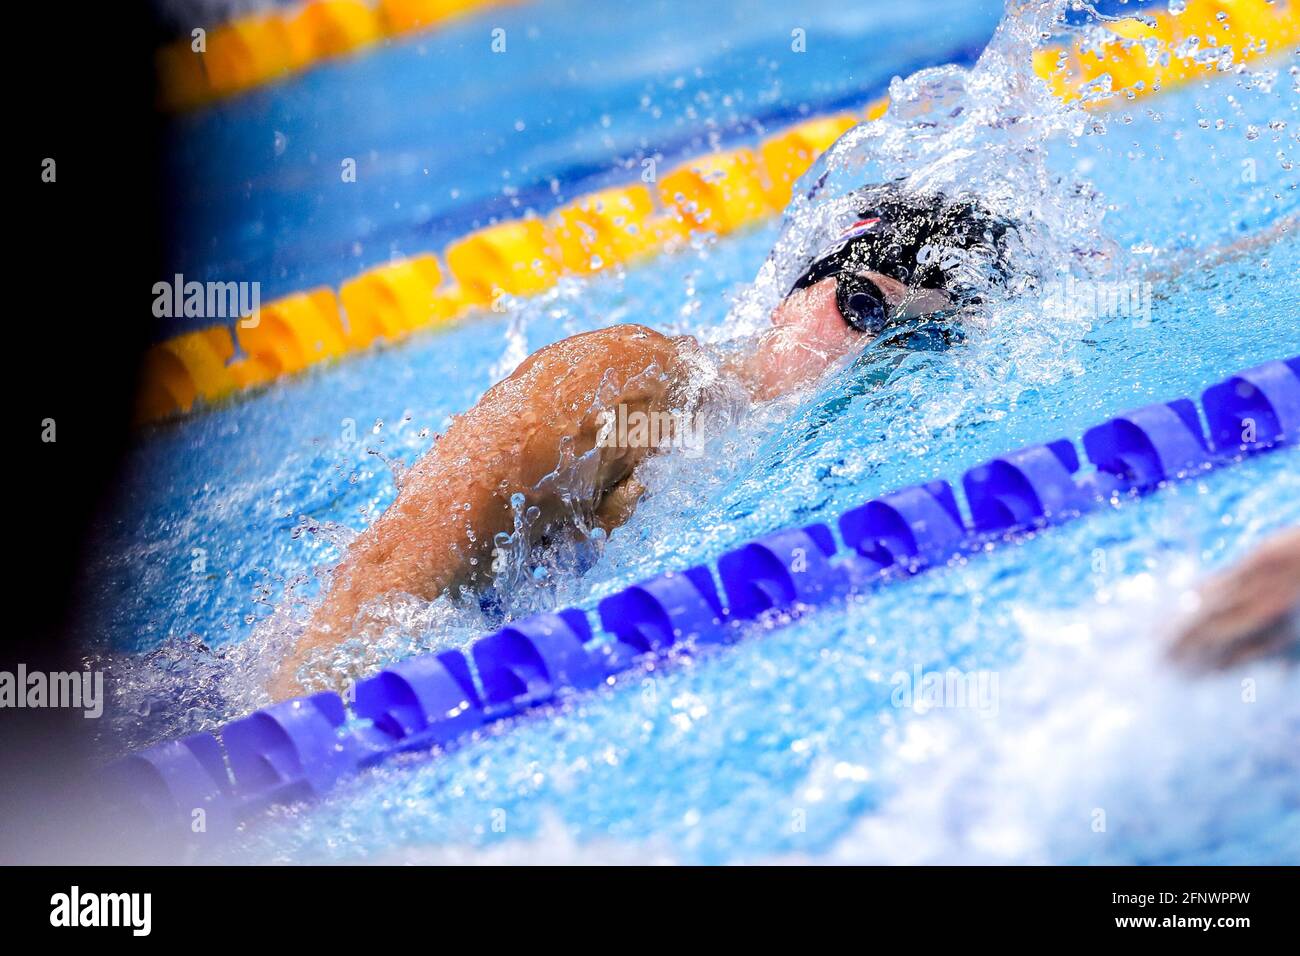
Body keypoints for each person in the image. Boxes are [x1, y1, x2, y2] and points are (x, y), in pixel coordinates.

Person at [269, 183, 1021, 697]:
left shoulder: (774, 469)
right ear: (801, 293)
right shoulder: (634, 376)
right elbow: (393, 566)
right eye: (860, 309)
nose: (861, 357)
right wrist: (298, 718)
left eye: (906, 346)